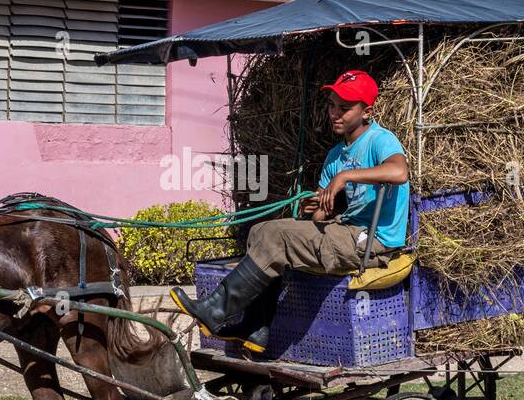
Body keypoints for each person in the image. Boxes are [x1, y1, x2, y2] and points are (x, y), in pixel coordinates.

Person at [171, 69, 410, 353]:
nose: (335, 113)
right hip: (343, 232)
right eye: (332, 105)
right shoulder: (336, 155)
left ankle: (216, 309)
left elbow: (399, 171)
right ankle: (256, 327)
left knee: (277, 237)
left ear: (366, 111)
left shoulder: (381, 140)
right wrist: (318, 207)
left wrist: (345, 178)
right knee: (261, 230)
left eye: (345, 108)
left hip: (372, 241)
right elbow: (318, 218)